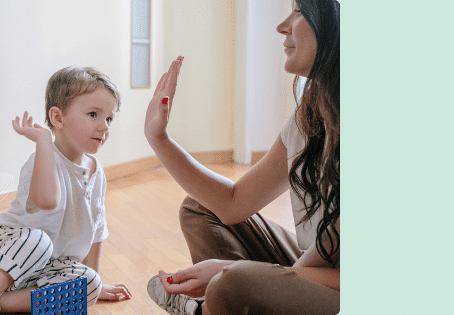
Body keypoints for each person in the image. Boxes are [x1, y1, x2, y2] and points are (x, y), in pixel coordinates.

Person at [144, 0, 340, 314]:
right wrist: (159, 139)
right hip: (317, 263)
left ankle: (213, 302)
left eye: (300, 12)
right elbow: (234, 202)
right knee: (201, 209)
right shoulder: (311, 109)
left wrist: (232, 274)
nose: (282, 26)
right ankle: (219, 302)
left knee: (232, 283)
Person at [0, 67, 133, 315]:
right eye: (93, 114)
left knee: (90, 286)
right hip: (7, 251)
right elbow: (48, 200)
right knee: (39, 241)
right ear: (57, 118)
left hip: (48, 268)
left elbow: (96, 228)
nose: (104, 127)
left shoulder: (97, 172)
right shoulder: (41, 160)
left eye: (109, 119)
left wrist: (94, 282)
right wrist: (43, 141)